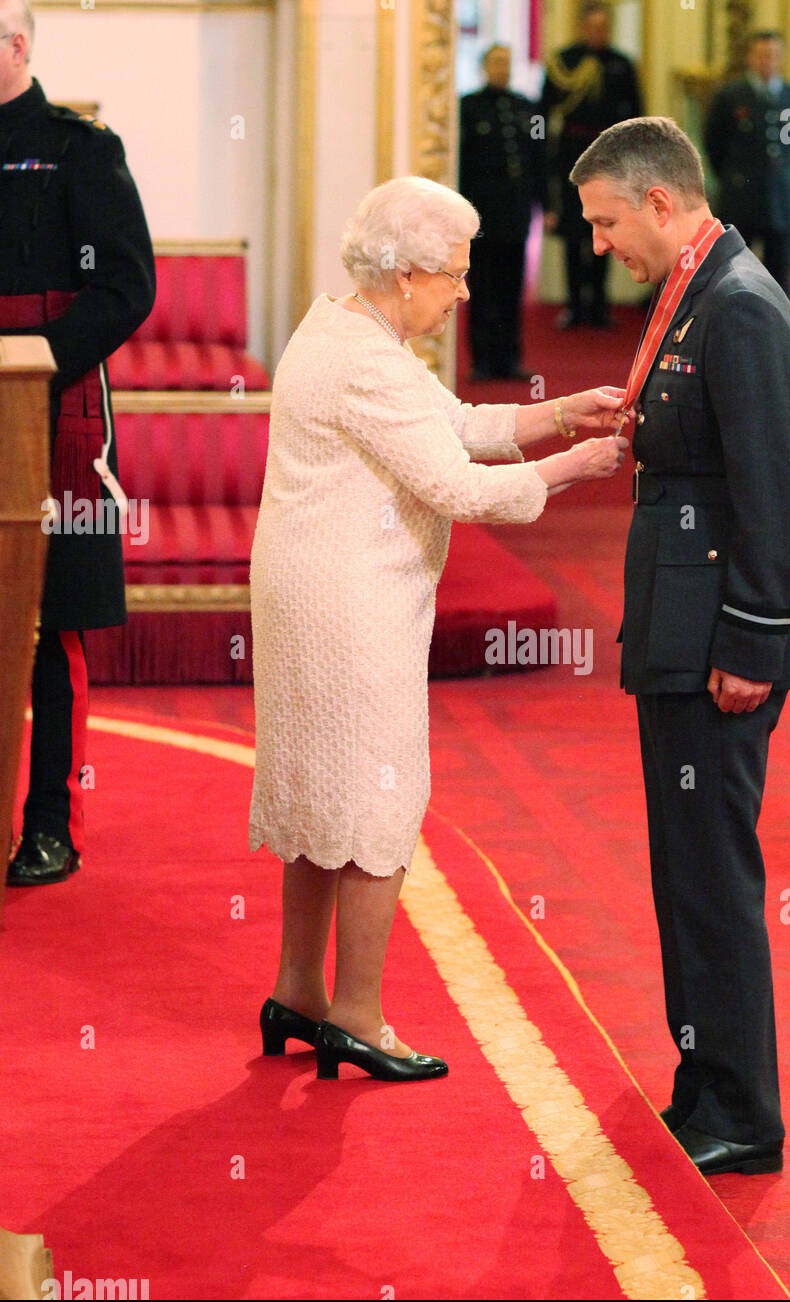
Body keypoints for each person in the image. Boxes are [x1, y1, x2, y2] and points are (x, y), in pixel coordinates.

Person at [249, 176, 630, 1081]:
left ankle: (298, 992)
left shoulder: (340, 329)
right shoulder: (369, 359)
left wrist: (553, 414)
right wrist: (577, 464)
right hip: (351, 605)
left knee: (317, 800)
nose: (464, 291)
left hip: (312, 592)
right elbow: (457, 484)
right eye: (453, 275)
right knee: (378, 797)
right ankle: (359, 1015)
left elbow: (447, 426)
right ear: (406, 272)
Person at [570, 117, 790, 1175]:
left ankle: (743, 1110)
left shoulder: (741, 309)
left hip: (723, 633)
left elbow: (779, 492)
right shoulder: (699, 293)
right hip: (682, 623)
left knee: (713, 877)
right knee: (685, 872)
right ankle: (703, 1078)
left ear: (662, 205)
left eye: (605, 222)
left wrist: (755, 642)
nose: (598, 246)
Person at [1, 1, 155, 887]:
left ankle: (51, 825)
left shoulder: (78, 150)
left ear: (17, 46)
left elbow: (127, 287)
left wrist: (31, 368)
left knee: (51, 627)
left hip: (48, 414)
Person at [541, 1, 642, 328]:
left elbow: (637, 113)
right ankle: (574, 306)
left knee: (608, 230)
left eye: (603, 27)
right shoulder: (563, 62)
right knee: (574, 233)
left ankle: (599, 305)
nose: (597, 33)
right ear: (582, 28)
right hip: (571, 154)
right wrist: (544, 150)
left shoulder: (621, 64)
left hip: (610, 157)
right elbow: (543, 112)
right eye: (592, 27)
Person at [458, 43, 543, 380]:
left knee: (511, 288)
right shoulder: (467, 107)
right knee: (483, 287)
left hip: (515, 210)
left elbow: (538, 156)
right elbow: (461, 162)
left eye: (506, 62)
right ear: (483, 66)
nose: (501, 68)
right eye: (495, 62)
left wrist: (543, 203)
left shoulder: (529, 109)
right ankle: (482, 360)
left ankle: (509, 358)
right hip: (480, 211)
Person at [703, 29, 790, 297]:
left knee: (780, 279)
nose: (768, 60)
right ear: (751, 57)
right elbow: (713, 144)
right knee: (732, 274)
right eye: (762, 54)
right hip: (741, 197)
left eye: (774, 54)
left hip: (781, 200)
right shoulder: (730, 95)